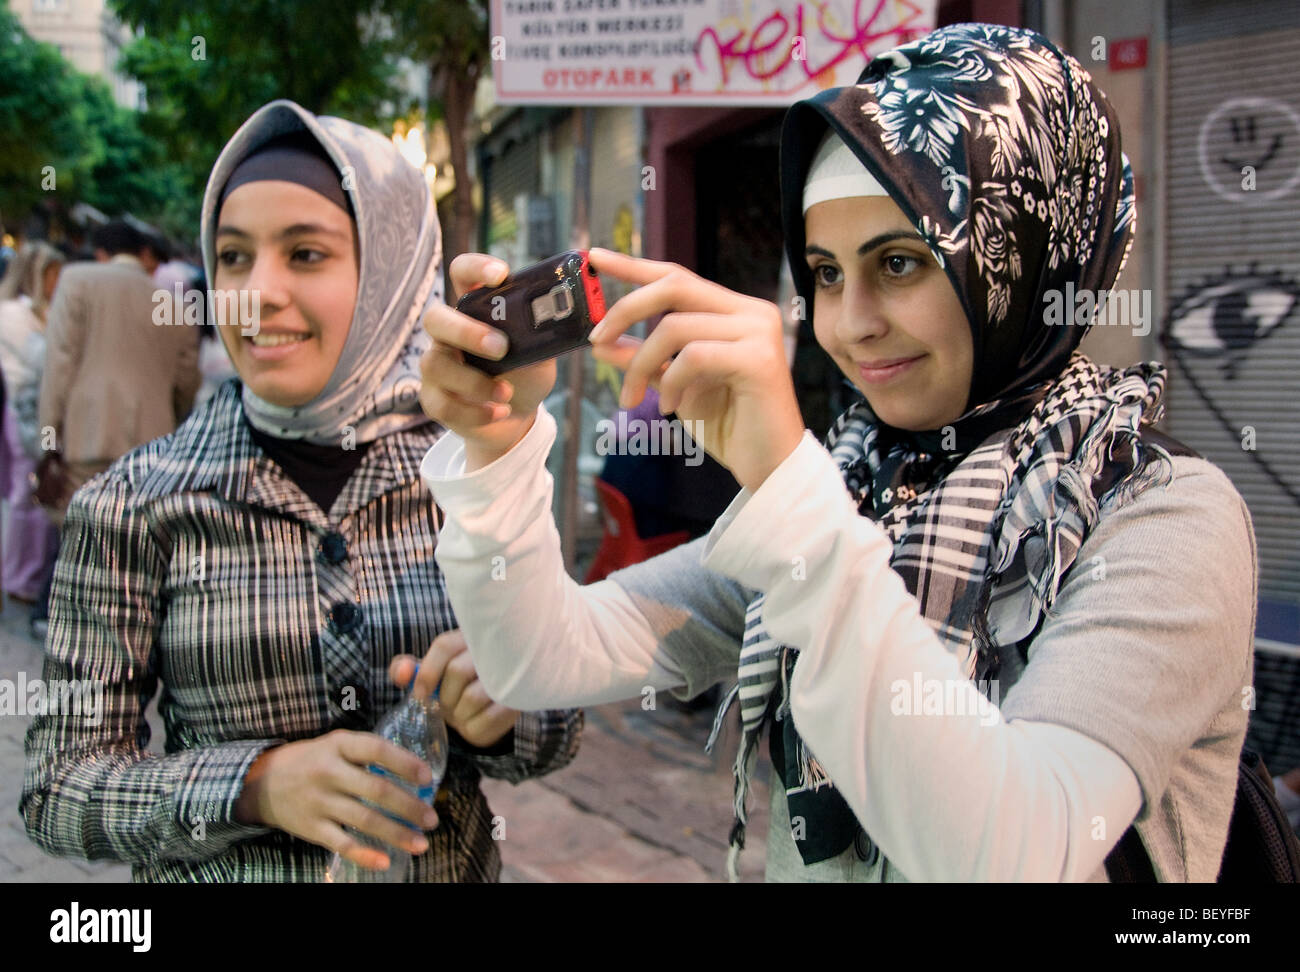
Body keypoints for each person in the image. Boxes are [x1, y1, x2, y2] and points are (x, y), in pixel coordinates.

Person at [416, 23, 1256, 882]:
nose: (850, 322)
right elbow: (541, 656)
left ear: (1023, 261)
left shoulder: (1163, 516)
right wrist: (500, 447)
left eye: (899, 263)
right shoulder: (858, 482)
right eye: (823, 272)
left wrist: (794, 500)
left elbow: (1013, 853)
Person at [22, 99, 582, 882]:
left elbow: (559, 726)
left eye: (306, 255)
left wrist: (504, 707)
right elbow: (57, 791)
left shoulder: (475, 470)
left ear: (387, 270)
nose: (258, 292)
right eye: (234, 257)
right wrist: (254, 786)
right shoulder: (134, 503)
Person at [37, 220, 201, 526]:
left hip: (86, 438)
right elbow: (187, 383)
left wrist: (48, 440)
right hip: (153, 447)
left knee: (84, 543)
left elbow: (59, 365)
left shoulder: (76, 281)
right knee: (137, 545)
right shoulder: (176, 307)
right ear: (141, 253)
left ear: (100, 253)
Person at [0, 241, 63, 605]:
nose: (58, 282)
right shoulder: (14, 313)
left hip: (37, 410)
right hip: (23, 410)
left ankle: (30, 573)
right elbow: (42, 359)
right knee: (28, 494)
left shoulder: (39, 311)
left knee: (35, 492)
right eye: (52, 274)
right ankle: (20, 577)